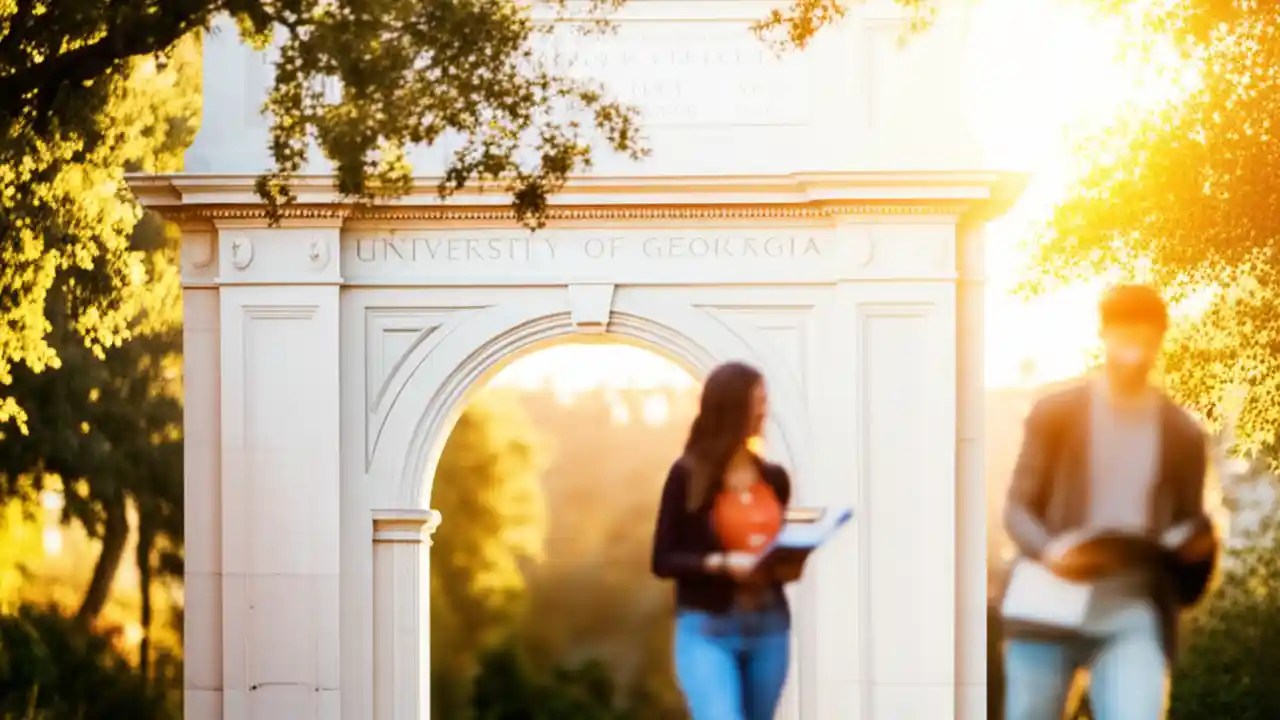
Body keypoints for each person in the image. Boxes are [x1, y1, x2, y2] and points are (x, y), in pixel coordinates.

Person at [1001, 284, 1219, 720]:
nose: (1134, 349)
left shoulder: (1182, 434)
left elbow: (1189, 523)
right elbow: (1017, 509)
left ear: (1159, 340)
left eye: (1145, 337)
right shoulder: (1055, 413)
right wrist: (1050, 551)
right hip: (1048, 604)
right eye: (1125, 334)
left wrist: (1196, 546)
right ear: (1104, 334)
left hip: (1131, 609)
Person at [650, 361, 801, 720]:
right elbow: (663, 559)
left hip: (769, 627)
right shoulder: (687, 476)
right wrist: (721, 563)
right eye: (758, 400)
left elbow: (771, 549)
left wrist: (790, 562)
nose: (765, 409)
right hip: (707, 630)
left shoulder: (774, 479)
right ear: (733, 406)